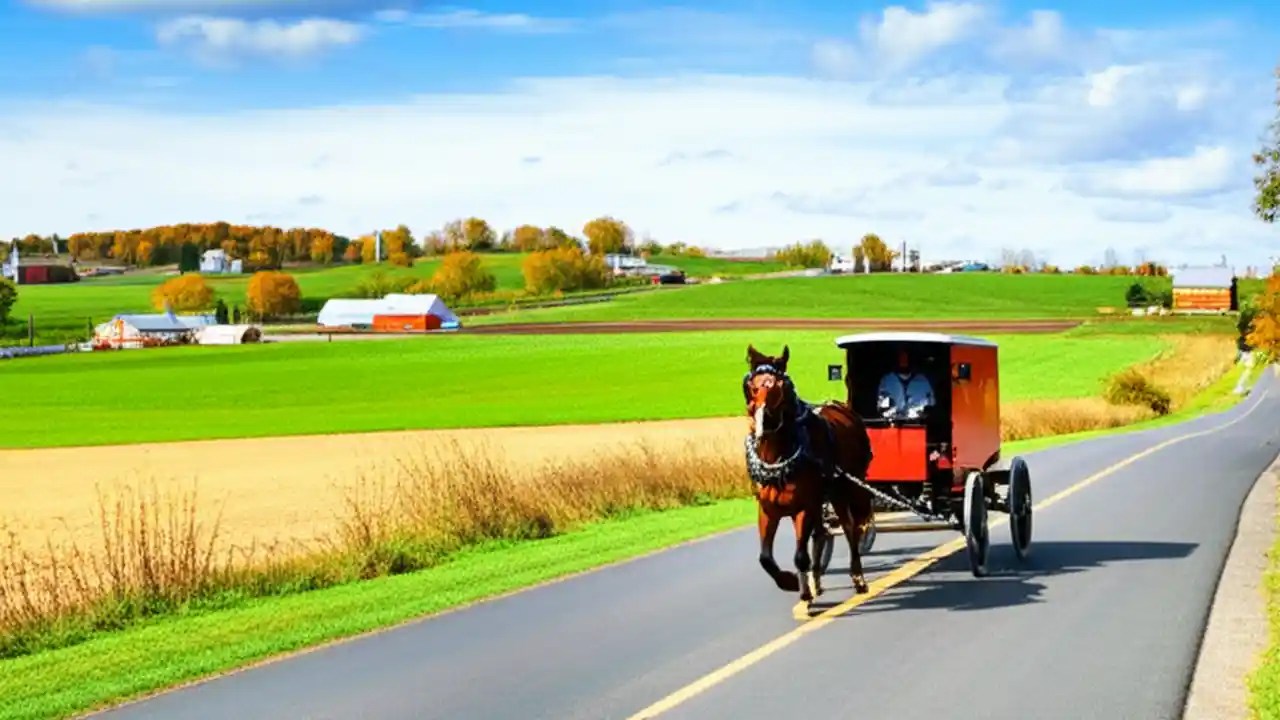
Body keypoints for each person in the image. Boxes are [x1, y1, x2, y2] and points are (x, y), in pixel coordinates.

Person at [877, 348, 935, 420]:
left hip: (919, 426)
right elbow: (881, 408)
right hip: (893, 426)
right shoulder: (887, 380)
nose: (904, 361)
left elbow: (931, 408)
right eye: (901, 358)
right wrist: (891, 412)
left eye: (906, 358)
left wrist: (920, 413)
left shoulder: (923, 381)